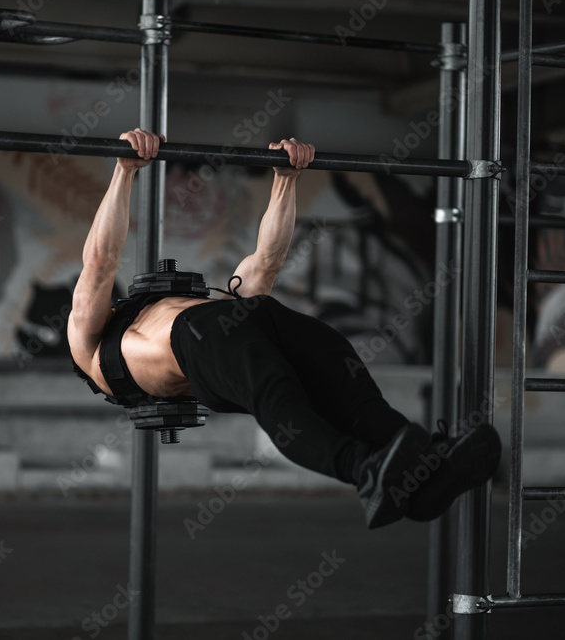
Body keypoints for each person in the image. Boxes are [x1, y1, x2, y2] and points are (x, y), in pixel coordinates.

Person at [67, 128, 501, 529]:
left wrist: (285, 178)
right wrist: (124, 170)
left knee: (343, 378)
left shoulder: (193, 315)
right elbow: (101, 261)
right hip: (203, 337)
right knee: (278, 395)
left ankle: (424, 471)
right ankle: (364, 471)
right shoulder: (92, 352)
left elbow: (267, 260)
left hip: (247, 320)